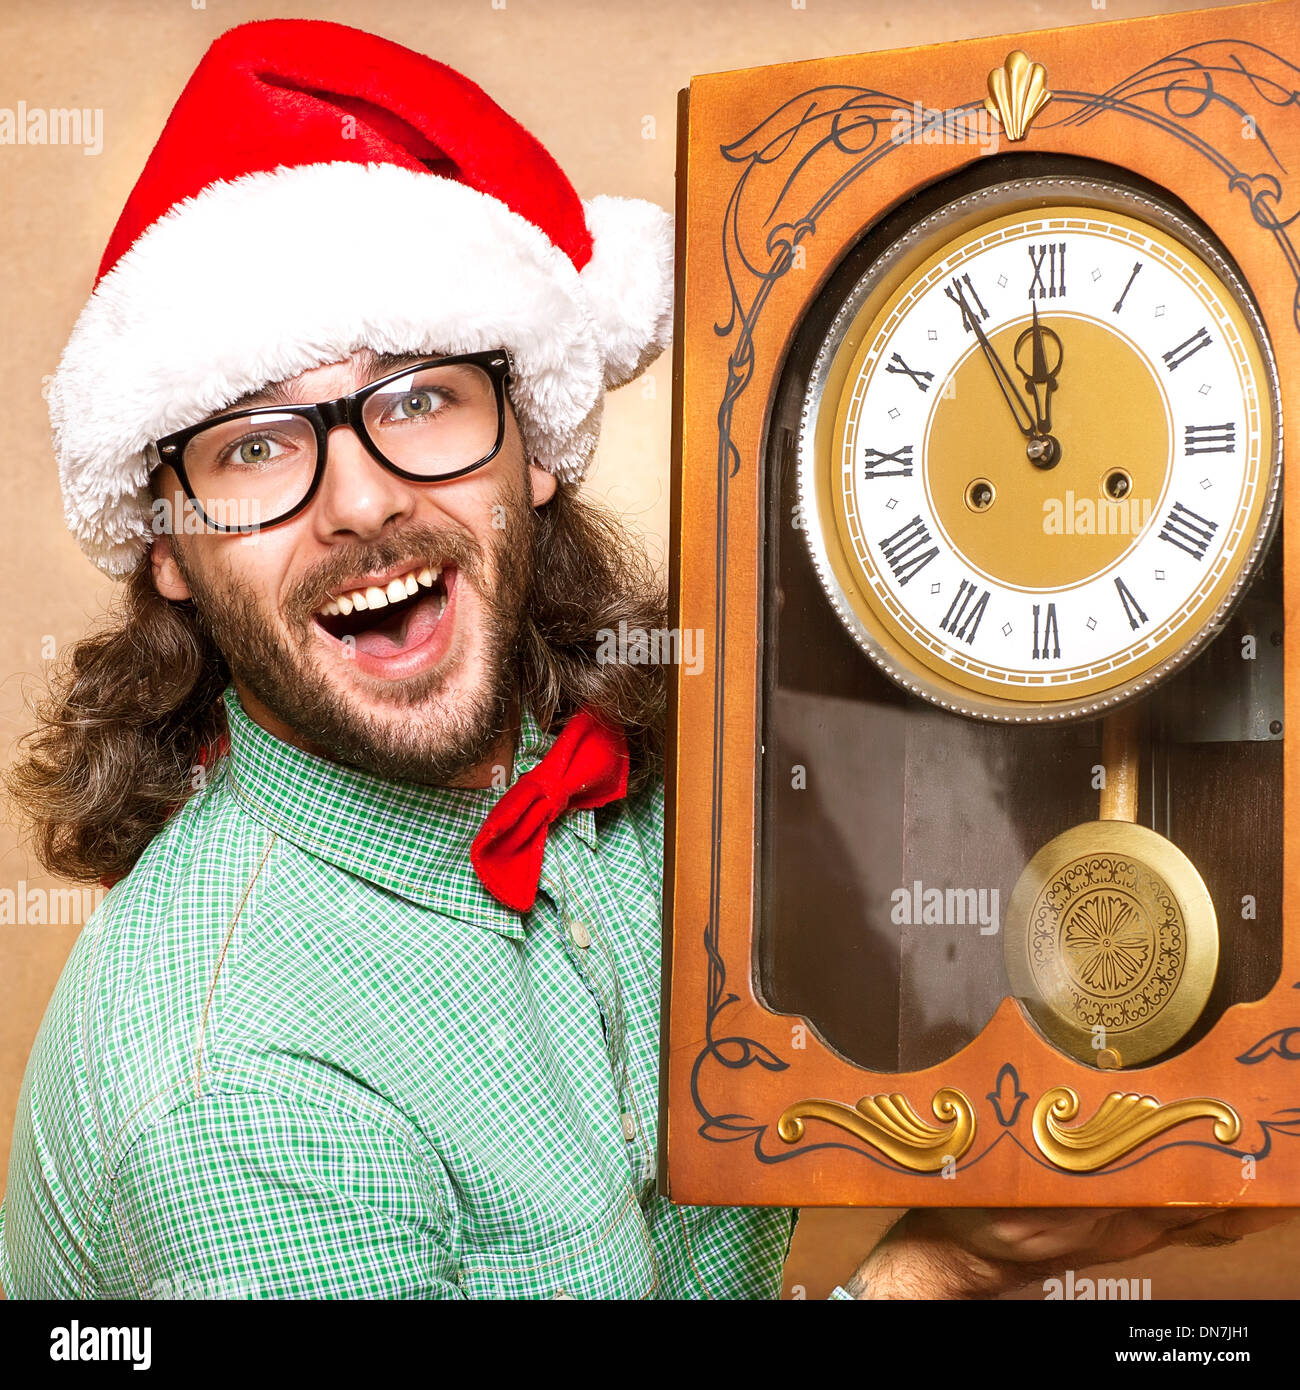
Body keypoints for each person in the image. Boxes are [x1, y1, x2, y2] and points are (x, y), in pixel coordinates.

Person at [0, 18, 1280, 1300]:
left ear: (535, 445)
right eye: (259, 446)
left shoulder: (669, 786)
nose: (363, 503)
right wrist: (934, 1271)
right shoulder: (229, 1101)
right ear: (167, 542)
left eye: (419, 399)